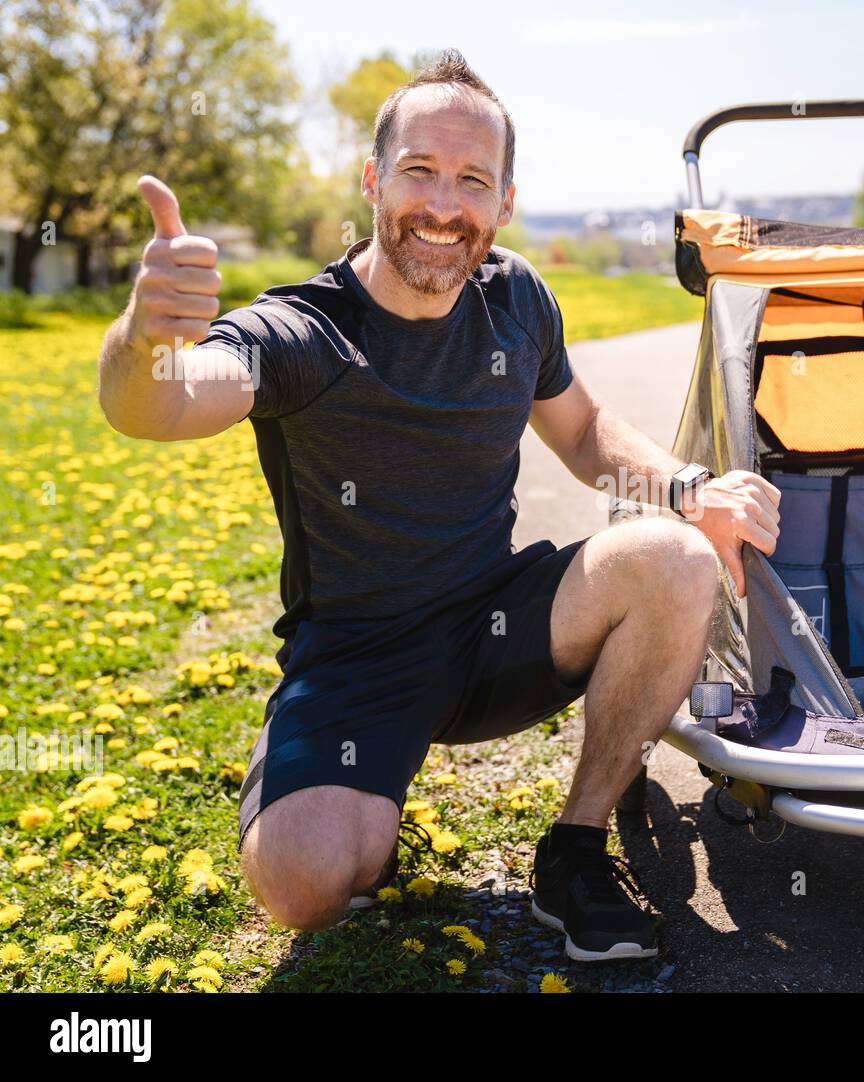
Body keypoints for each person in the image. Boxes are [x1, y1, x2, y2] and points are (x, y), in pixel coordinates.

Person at [95, 49, 781, 962]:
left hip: (495, 627)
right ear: (376, 179)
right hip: (358, 659)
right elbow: (163, 404)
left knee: (677, 558)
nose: (444, 205)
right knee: (304, 885)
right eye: (420, 170)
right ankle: (348, 792)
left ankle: (575, 850)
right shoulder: (303, 329)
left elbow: (583, 434)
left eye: (472, 181)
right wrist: (145, 339)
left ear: (502, 202)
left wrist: (691, 490)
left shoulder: (516, 299)